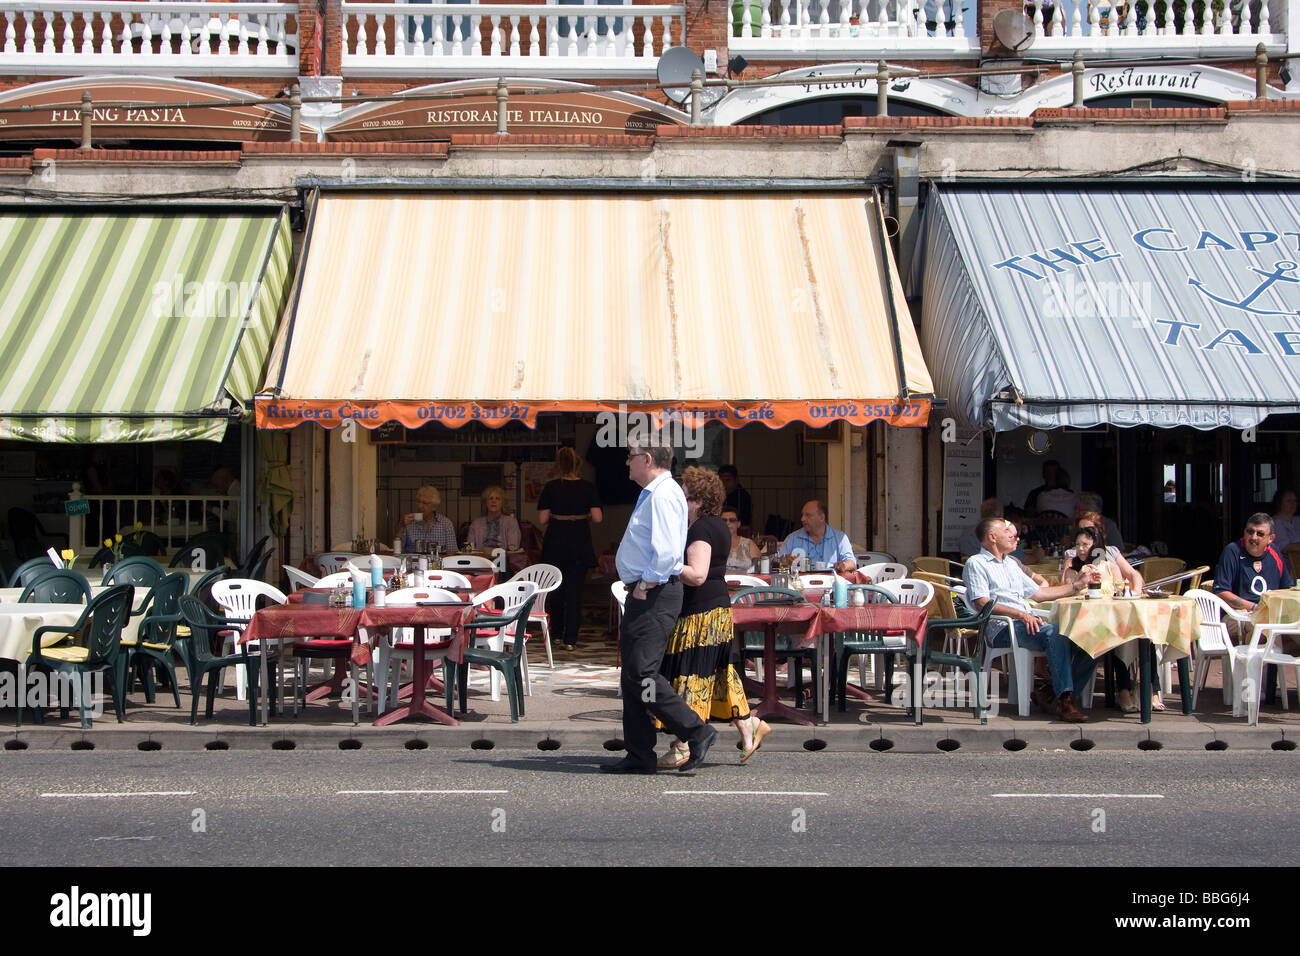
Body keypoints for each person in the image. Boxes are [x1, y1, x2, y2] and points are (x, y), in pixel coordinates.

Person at [602, 440, 717, 774]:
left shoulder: (664, 494)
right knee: (632, 677)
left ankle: (696, 731)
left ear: (647, 459)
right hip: (649, 593)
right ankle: (640, 754)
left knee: (642, 674)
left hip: (654, 593)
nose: (626, 463)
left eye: (630, 457)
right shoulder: (655, 493)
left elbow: (667, 553)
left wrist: (645, 583)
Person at [657, 468, 769, 769]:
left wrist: (667, 563)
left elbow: (697, 574)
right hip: (716, 608)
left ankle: (682, 745)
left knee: (690, 676)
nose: (680, 498)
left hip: (700, 613)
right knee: (720, 674)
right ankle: (750, 728)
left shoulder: (701, 529)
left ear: (697, 499)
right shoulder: (716, 526)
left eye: (684, 494)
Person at [963, 517, 1100, 722]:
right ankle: (1064, 700)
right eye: (1007, 532)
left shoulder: (1010, 564)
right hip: (1002, 627)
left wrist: (1077, 586)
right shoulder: (977, 563)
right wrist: (1020, 614)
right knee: (1055, 633)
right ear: (992, 537)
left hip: (1027, 623)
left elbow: (1039, 594)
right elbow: (982, 603)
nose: (1013, 535)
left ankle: (1052, 693)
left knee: (1091, 639)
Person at [1062, 524, 1154, 713]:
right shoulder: (1073, 569)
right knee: (1112, 638)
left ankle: (1145, 691)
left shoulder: (1110, 567)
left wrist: (1132, 592)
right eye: (1077, 544)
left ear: (1096, 544)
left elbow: (1121, 590)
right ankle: (1124, 692)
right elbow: (1067, 592)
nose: (1080, 549)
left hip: (1111, 621)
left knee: (1139, 636)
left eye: (1085, 544)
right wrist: (1082, 579)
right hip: (1084, 624)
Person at [537, 448, 602, 651]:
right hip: (579, 542)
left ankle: (556, 634)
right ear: (577, 465)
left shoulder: (551, 487)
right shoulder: (588, 487)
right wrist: (583, 516)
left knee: (555, 590)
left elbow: (542, 518)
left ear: (558, 465)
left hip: (555, 542)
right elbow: (598, 517)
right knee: (574, 592)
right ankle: (571, 638)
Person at [1212, 513, 1295, 614]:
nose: (1253, 537)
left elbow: (1287, 588)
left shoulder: (1275, 552)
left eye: (1260, 534)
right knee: (1259, 627)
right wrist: (1256, 608)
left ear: (1271, 538)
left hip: (1271, 614)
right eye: (1250, 532)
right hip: (1237, 614)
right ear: (1244, 532)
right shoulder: (1232, 551)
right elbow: (1221, 591)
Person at [778, 500, 856, 573]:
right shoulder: (792, 538)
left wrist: (844, 565)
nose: (802, 519)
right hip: (800, 584)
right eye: (802, 515)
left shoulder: (839, 538)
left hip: (830, 583)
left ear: (822, 517)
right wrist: (785, 559)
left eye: (808, 515)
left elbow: (852, 562)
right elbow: (778, 562)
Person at [398, 485, 457, 554]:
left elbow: (452, 553)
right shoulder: (408, 522)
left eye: (425, 503)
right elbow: (397, 550)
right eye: (418, 502)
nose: (420, 506)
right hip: (413, 563)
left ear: (434, 507)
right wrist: (401, 526)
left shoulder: (446, 524)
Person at [466, 486, 521, 552]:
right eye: (490, 498)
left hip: (504, 559)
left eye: (497, 499)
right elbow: (469, 548)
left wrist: (492, 551)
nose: (494, 501)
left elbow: (513, 547)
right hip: (481, 559)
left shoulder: (511, 522)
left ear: (502, 503)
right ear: (485, 502)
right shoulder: (476, 524)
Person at [723, 506, 760, 572]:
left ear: (738, 524)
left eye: (732, 520)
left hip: (747, 581)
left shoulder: (748, 543)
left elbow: (759, 567)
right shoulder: (713, 544)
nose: (727, 523)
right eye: (724, 520)